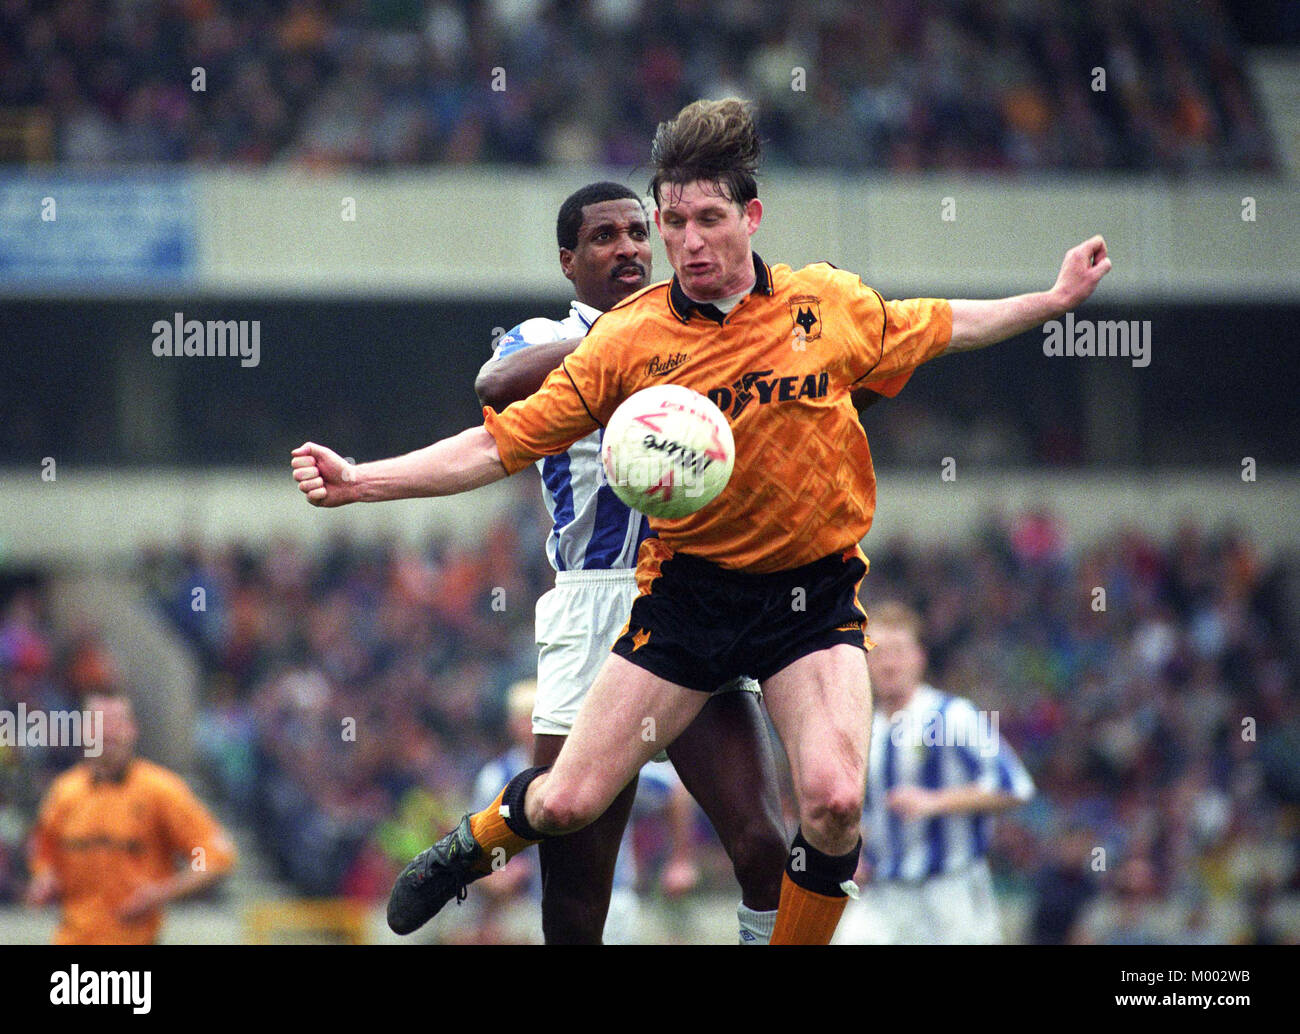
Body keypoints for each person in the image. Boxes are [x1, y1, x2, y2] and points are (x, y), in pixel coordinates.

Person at [291, 97, 1110, 944]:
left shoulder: (825, 304)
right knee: (569, 800)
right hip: (689, 599)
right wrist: (363, 483)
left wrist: (1049, 301)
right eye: (672, 220)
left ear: (750, 216)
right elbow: (498, 443)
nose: (686, 242)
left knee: (829, 806)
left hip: (811, 598)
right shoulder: (626, 338)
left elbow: (936, 324)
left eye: (708, 219)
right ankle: (477, 840)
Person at [477, 181, 792, 944]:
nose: (626, 248)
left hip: (694, 598)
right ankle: (473, 844)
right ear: (568, 259)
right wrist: (623, 337)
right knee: (577, 886)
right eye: (603, 237)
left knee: (763, 846)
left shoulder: (699, 333)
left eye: (634, 234)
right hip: (591, 603)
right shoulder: (538, 336)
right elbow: (493, 389)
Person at [831, 601, 1035, 944]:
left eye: (898, 651)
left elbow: (1014, 786)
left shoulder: (950, 715)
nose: (888, 662)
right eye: (878, 652)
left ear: (919, 658)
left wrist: (934, 802)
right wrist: (854, 852)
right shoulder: (861, 726)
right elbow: (859, 809)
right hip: (883, 894)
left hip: (950, 891)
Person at [25, 691, 237, 944]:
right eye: (98, 722)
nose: (108, 732)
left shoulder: (160, 789)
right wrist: (44, 876)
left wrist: (164, 891)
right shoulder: (65, 791)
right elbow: (43, 847)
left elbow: (207, 855)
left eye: (116, 722)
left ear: (132, 729)